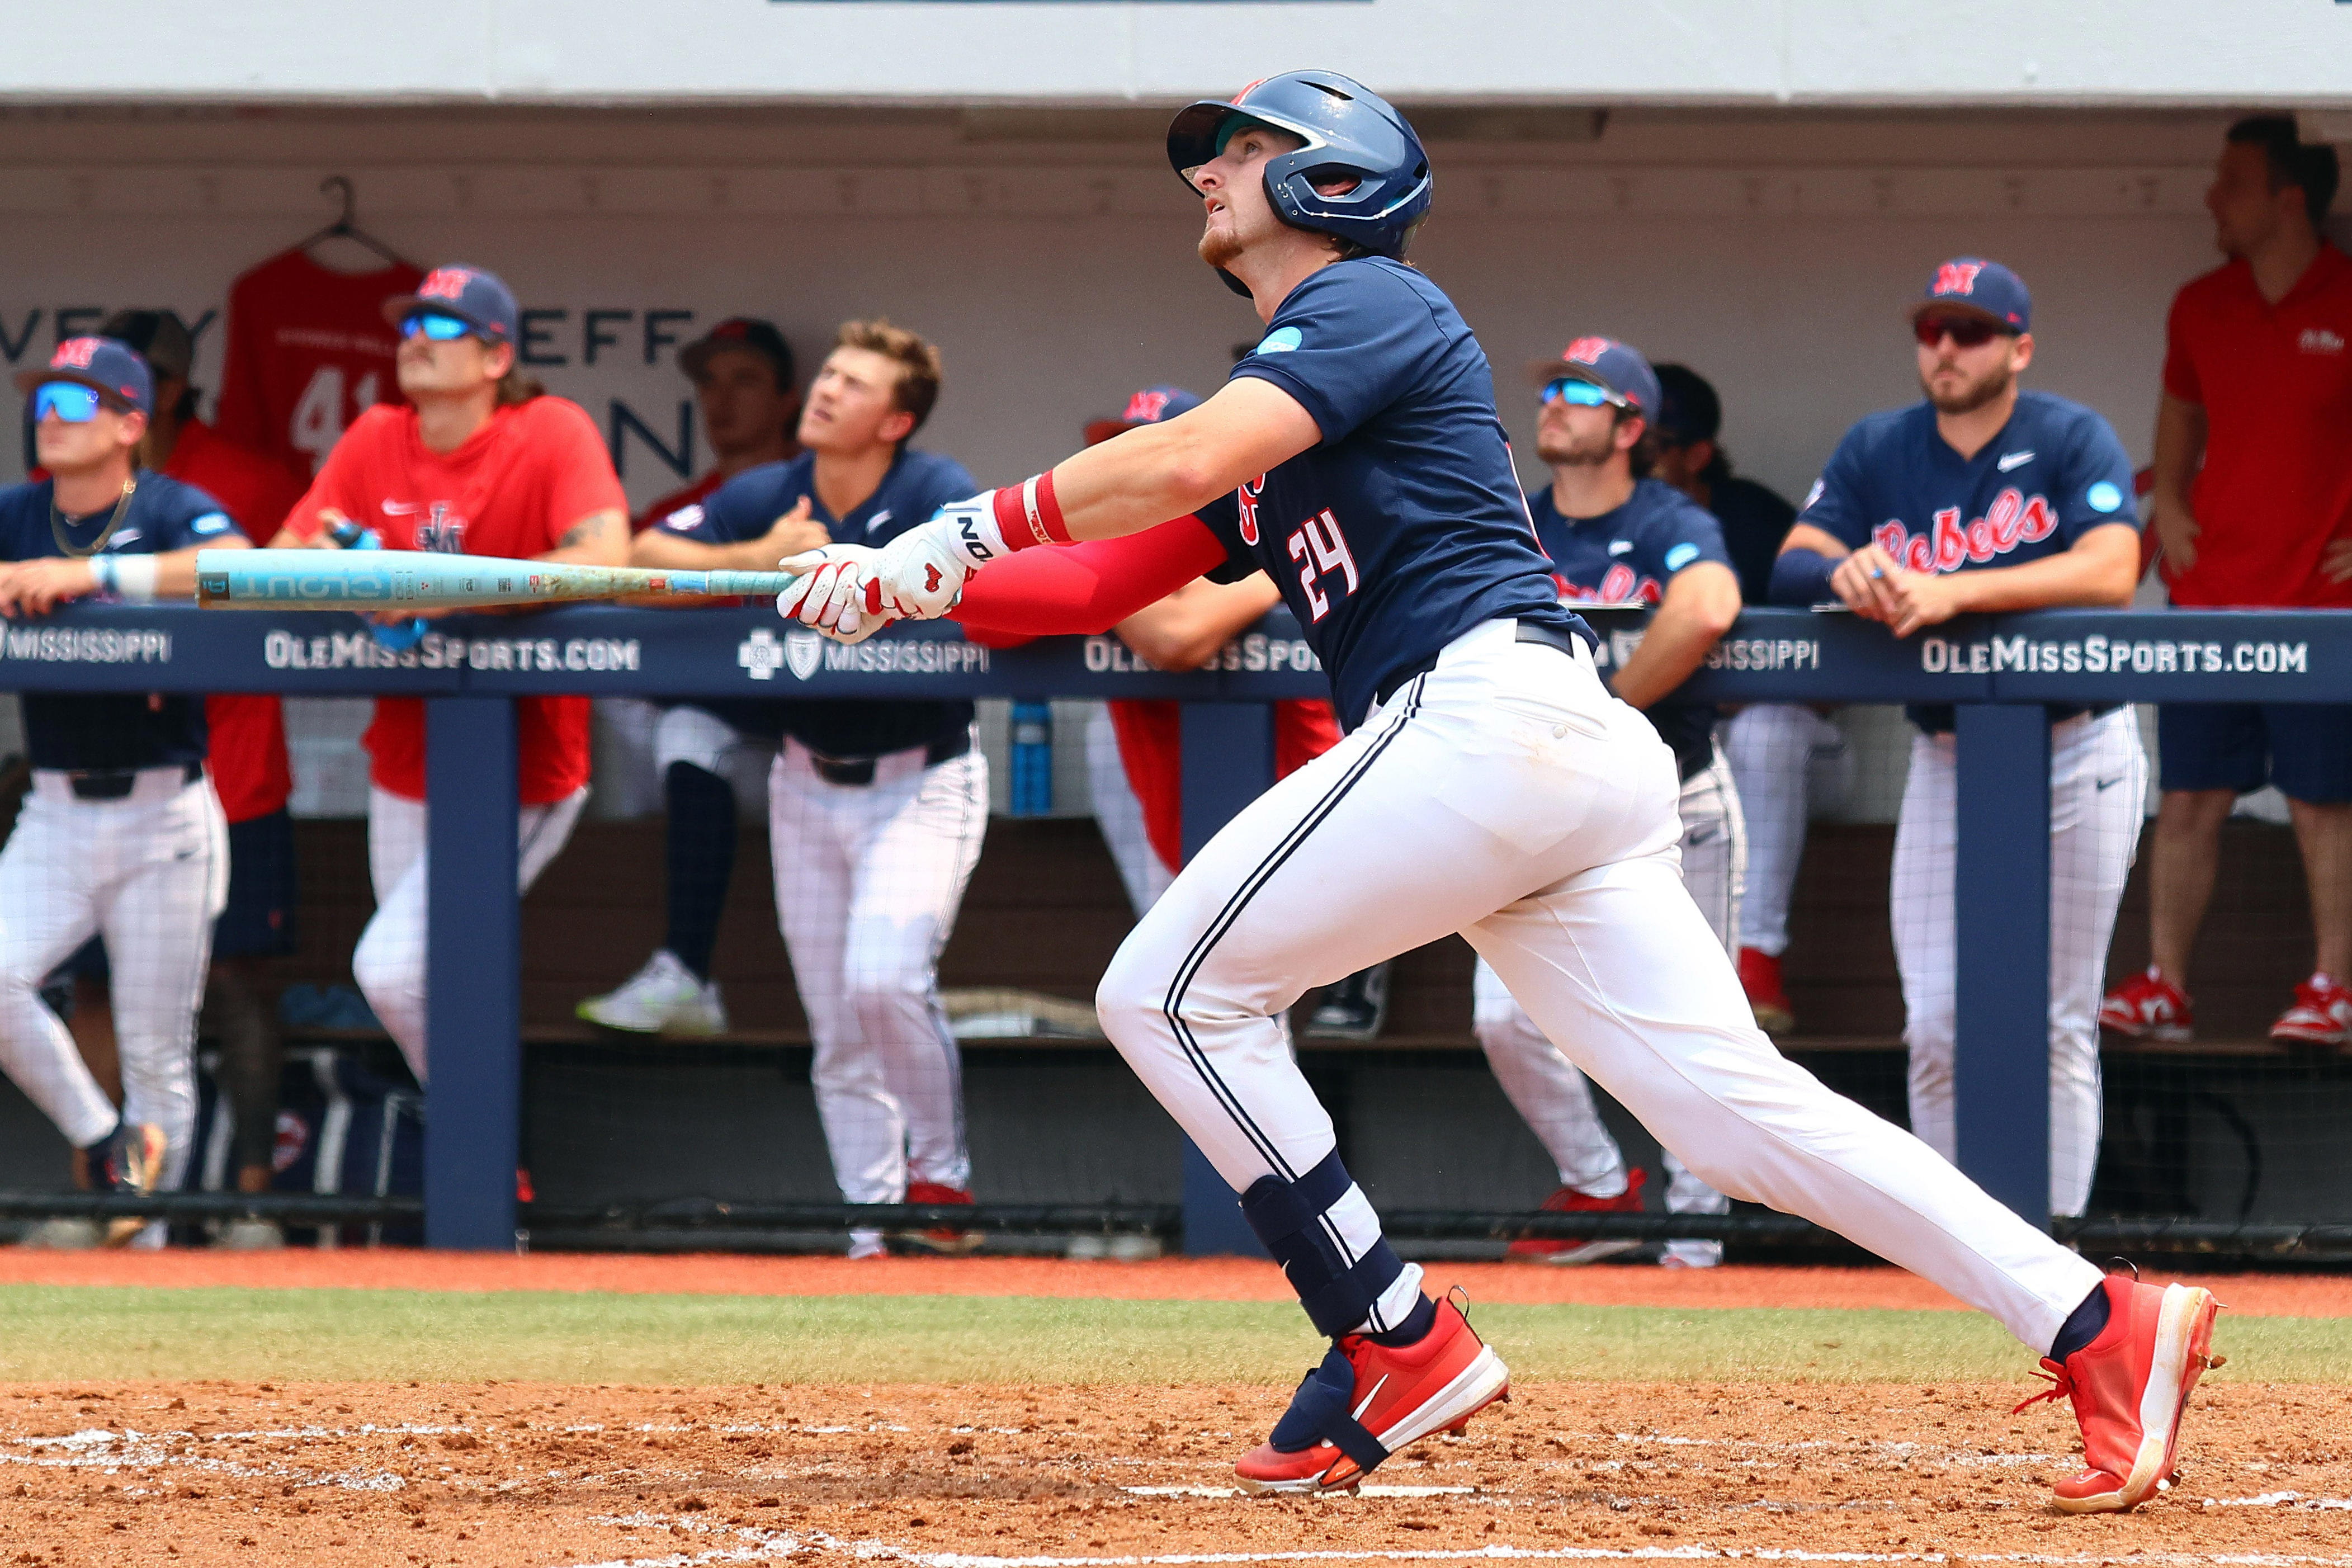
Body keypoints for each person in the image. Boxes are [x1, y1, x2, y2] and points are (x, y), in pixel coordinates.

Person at [779, 74, 2218, 1512]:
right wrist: (900, 584)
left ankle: (1391, 1333)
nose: (1207, 176)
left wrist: (954, 532)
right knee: (1735, 1123)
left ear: (1334, 177)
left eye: (1243, 151)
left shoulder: (1366, 300)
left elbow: (1182, 453)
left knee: (1166, 994)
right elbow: (1096, 578)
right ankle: (2096, 1315)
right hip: (1533, 757)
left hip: (1482, 721)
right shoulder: (1293, 392)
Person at [1772, 257, 2147, 1226]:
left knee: (2058, 1021)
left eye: (1971, 330)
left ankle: (2053, 1263)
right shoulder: (1879, 445)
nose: (1945, 347)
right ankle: (1961, 1257)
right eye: (1932, 328)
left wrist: (1953, 591)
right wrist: (1846, 570)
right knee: (1935, 1022)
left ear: (2018, 349)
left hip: (2079, 748)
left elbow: (2112, 567)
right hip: (1945, 756)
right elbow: (1793, 559)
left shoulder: (2068, 434)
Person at [631, 319, 988, 1258]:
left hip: (921, 776)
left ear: (895, 420)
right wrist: (750, 558)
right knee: (836, 1026)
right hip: (805, 779)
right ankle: (871, 1236)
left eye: (853, 384)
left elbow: (985, 574)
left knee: (883, 978)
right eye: (827, 374)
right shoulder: (767, 493)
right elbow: (640, 558)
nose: (827, 390)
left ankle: (940, 1174)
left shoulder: (931, 489)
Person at [268, 265, 629, 1083]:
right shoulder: (374, 436)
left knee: (392, 971)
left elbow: (604, 557)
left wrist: (441, 586)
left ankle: (479, 1140)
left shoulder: (550, 429)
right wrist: (346, 569)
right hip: (406, 759)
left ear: (497, 356)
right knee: (433, 978)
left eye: (439, 328)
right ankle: (482, 1148)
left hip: (522, 766)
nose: (414, 342)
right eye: (408, 327)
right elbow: (284, 559)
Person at [1477, 337, 1739, 1268]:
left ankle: (1695, 1249)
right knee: (1504, 1016)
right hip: (1544, 809)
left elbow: (1705, 606)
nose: (1555, 401)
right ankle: (1596, 1183)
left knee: (1700, 1025)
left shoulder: (1668, 516)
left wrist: (1607, 708)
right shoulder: (1514, 517)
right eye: (1551, 386)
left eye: (1581, 392)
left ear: (1630, 427)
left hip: (1679, 793)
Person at [2100, 118, 2352, 1047]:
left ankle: (2333, 988)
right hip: (2209, 599)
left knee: (2324, 803)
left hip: (2322, 606)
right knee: (2190, 798)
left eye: (2232, 181)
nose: (2212, 197)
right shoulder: (2200, 304)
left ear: (2288, 198)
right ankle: (2165, 986)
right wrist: (2168, 500)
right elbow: (2180, 411)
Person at [0, 337, 252, 1244]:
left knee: (154, 1053)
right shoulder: (17, 512)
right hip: (56, 810)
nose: (51, 418)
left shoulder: (170, 507)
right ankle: (103, 1140)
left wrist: (92, 574)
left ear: (130, 423)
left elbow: (239, 568)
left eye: (74, 402)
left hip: (163, 815)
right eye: (45, 401)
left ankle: (147, 1251)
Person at [1074, 387, 1386, 1038]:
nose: (1124, 468)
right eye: (1117, 449)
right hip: (1180, 826)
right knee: (1190, 1009)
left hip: (1313, 834)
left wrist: (1092, 575)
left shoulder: (1262, 543)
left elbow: (1177, 635)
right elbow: (986, 623)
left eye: (1143, 448)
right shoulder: (1117, 552)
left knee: (1202, 1006)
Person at [102, 309, 307, 1244]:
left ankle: (252, 1202)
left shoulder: (251, 479)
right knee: (99, 987)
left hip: (236, 766)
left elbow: (304, 606)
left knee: (239, 982)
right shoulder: (67, 487)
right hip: (113, 765)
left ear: (175, 386)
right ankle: (101, 1196)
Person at [580, 317, 823, 1029]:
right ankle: (684, 971)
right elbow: (626, 577)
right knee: (675, 719)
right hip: (736, 759)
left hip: (836, 751)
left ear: (788, 399)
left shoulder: (826, 491)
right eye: (710, 382)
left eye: (745, 380)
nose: (722, 398)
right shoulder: (682, 515)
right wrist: (747, 559)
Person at [1654, 362, 1838, 1036]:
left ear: (1697, 453)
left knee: (1767, 728)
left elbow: (1829, 678)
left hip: (1800, 754)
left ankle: (1756, 958)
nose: (1634, 455)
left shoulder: (1754, 522)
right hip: (1677, 744)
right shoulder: (1582, 520)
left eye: (1655, 444)